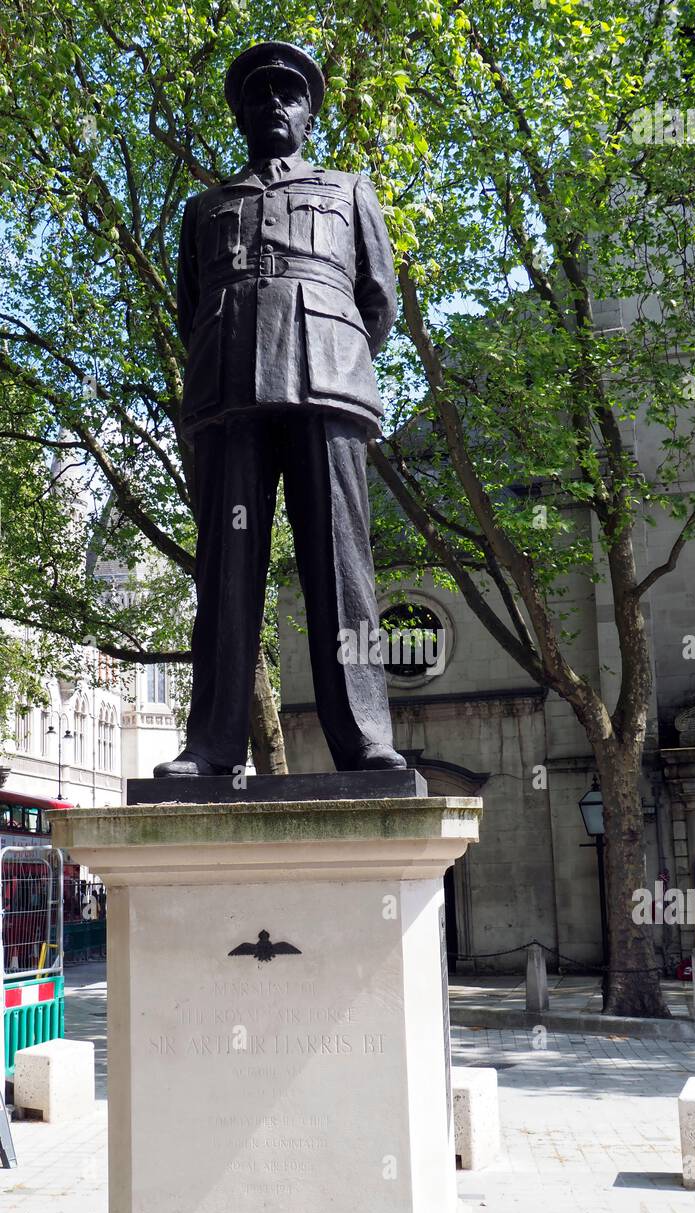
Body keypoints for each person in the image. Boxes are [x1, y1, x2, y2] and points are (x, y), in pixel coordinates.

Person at [154, 41, 406, 777]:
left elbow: (377, 303)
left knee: (341, 566)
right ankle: (211, 746)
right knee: (226, 572)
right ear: (240, 113)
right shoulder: (206, 208)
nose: (273, 104)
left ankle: (363, 736)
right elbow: (191, 306)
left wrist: (328, 350)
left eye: (287, 94)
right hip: (230, 389)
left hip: (326, 385)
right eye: (258, 94)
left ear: (307, 113)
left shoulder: (348, 191)